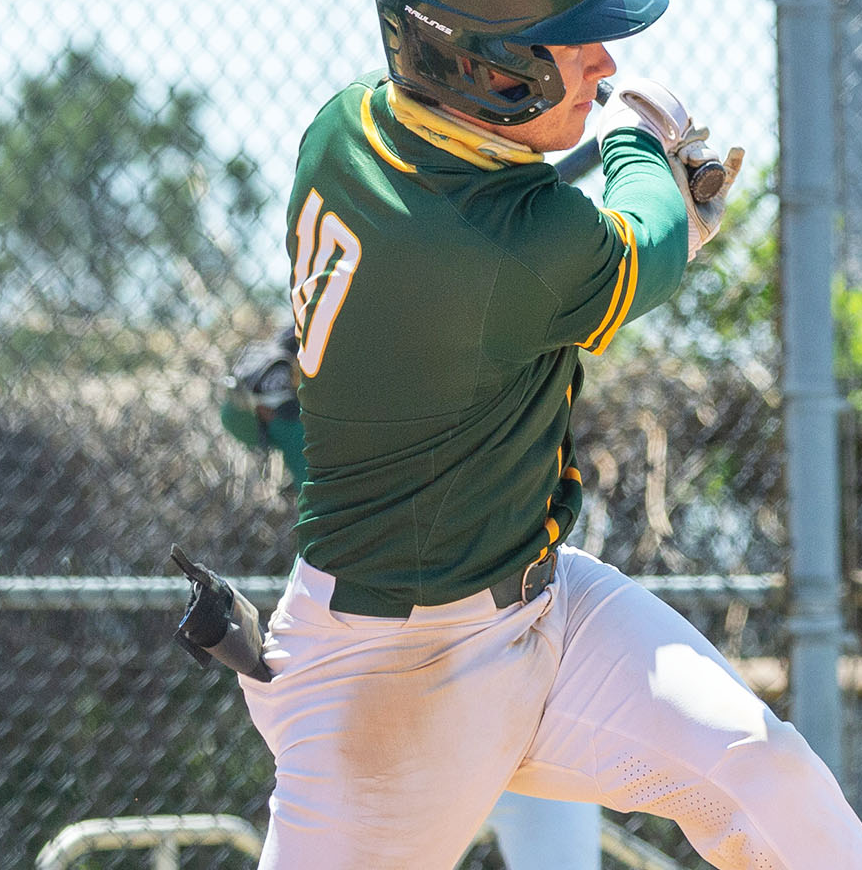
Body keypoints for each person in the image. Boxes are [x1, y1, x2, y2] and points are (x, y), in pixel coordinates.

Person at [238, 0, 862, 869]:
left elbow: (554, 220)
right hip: (390, 675)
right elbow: (641, 251)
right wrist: (639, 147)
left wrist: (644, 172)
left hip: (542, 602)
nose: (607, 63)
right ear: (488, 70)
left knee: (763, 773)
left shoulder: (347, 127)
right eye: (575, 43)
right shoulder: (500, 253)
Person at [222, 330, 604, 869]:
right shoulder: (321, 408)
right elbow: (244, 407)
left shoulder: (457, 362)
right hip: (416, 693)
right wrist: (290, 361)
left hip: (513, 653)